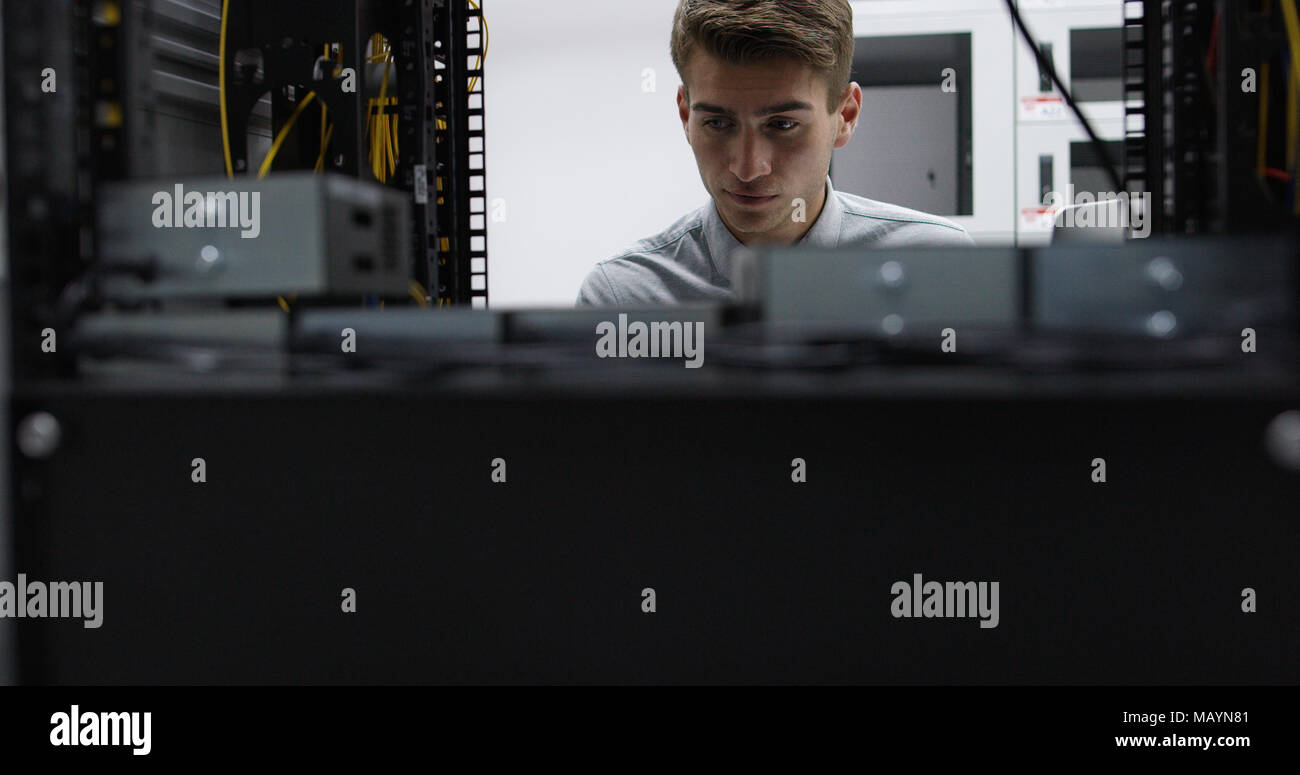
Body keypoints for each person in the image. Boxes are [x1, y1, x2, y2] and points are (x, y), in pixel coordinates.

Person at [577, 0, 974, 307]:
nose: (748, 167)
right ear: (685, 114)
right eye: (718, 123)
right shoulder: (622, 299)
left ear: (845, 116)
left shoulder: (943, 268)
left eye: (782, 125)